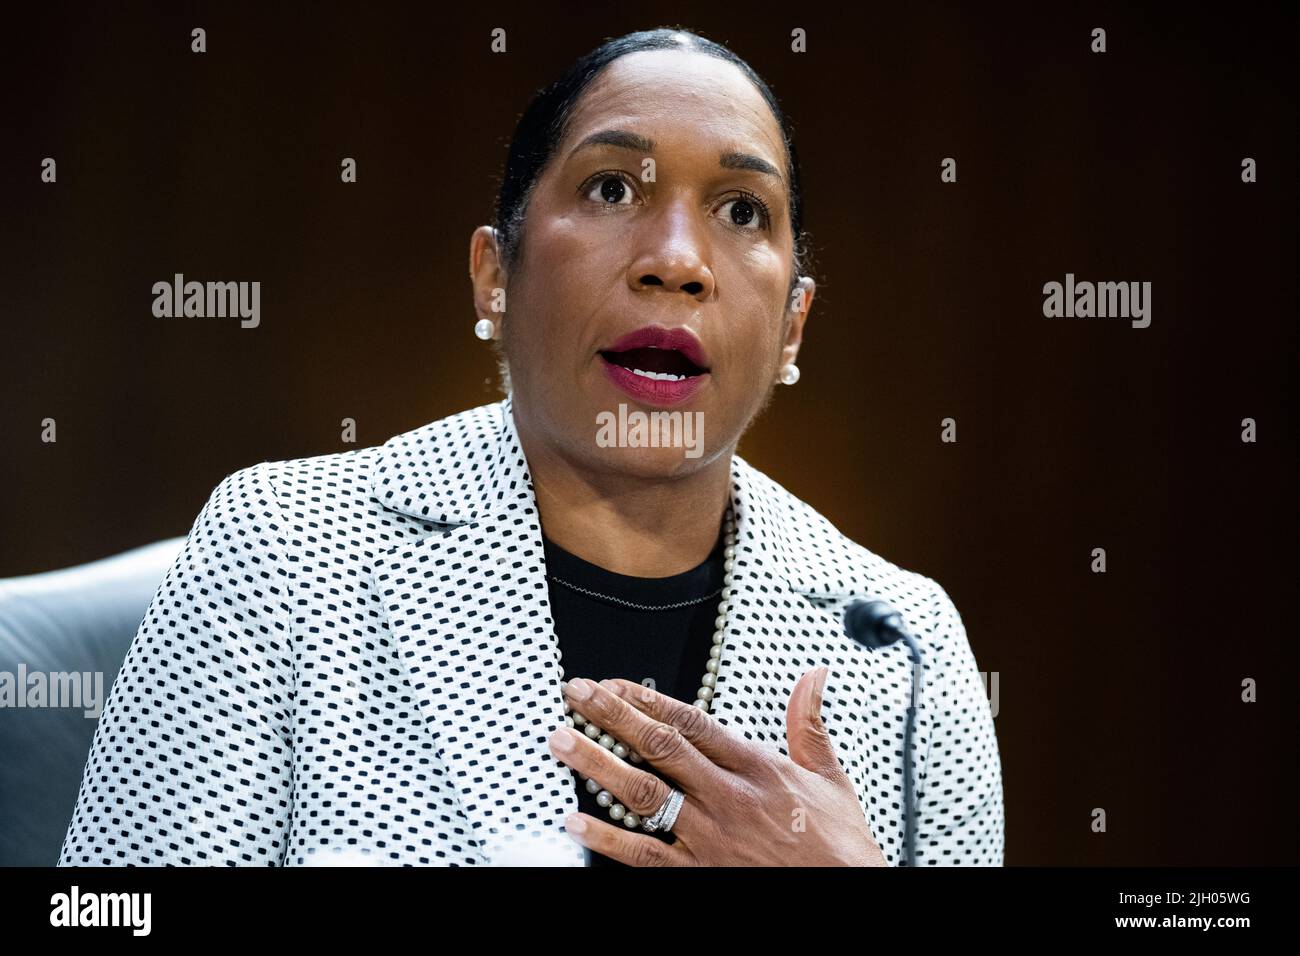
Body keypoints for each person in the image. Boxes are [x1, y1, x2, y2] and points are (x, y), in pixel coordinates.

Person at [58, 27, 1003, 867]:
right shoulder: (281, 548)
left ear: (793, 325)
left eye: (742, 210)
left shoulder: (904, 646)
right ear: (493, 275)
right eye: (610, 187)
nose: (676, 260)